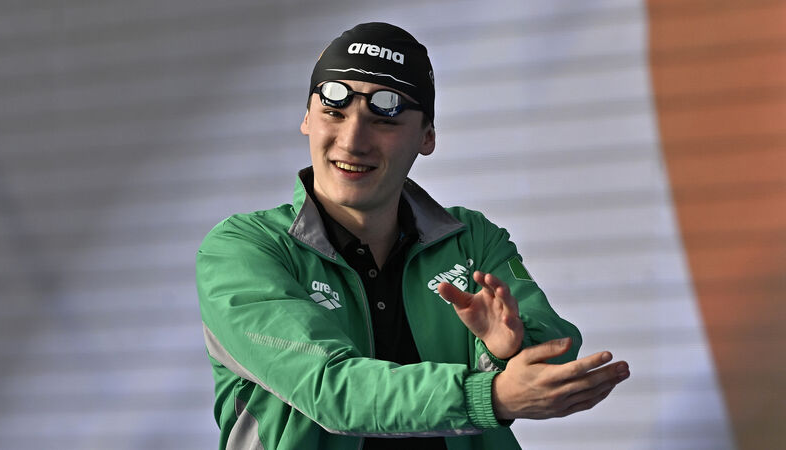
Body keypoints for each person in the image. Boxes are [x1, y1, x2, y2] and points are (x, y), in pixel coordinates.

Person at [196, 22, 630, 450]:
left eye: (383, 120)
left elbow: (553, 354)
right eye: (334, 112)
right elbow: (329, 388)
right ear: (308, 117)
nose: (352, 141)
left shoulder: (470, 240)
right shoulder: (244, 249)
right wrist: (489, 396)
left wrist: (507, 350)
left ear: (427, 137)